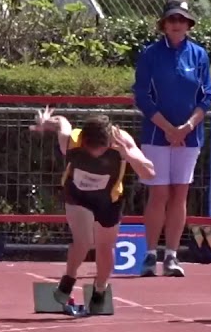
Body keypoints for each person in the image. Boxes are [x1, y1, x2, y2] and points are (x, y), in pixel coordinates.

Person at [29, 108, 156, 316]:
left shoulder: (121, 141)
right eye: (90, 150)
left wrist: (128, 155)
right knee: (84, 241)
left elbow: (149, 173)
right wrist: (47, 122)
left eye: (101, 150)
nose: (96, 155)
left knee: (105, 247)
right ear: (84, 140)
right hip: (77, 196)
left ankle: (100, 289)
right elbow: (62, 122)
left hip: (108, 199)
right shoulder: (72, 139)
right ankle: (68, 279)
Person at [132, 0, 211, 278]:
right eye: (172, 19)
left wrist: (186, 128)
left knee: (180, 193)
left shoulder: (199, 55)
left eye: (182, 20)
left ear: (189, 24)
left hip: (189, 138)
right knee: (159, 193)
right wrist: (168, 128)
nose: (177, 24)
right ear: (164, 24)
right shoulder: (150, 54)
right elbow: (142, 96)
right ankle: (149, 254)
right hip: (156, 135)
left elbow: (207, 96)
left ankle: (171, 255)